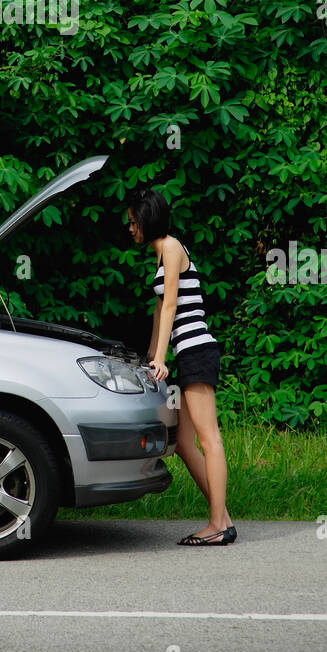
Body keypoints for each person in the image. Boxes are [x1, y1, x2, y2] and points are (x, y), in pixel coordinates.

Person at [126, 187, 236, 545]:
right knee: (185, 444)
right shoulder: (160, 256)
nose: (130, 229)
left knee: (209, 438)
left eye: (132, 222)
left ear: (146, 220)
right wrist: (148, 355)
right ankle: (223, 518)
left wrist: (162, 359)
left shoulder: (172, 247)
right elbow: (160, 311)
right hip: (186, 352)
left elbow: (172, 305)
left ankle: (217, 526)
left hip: (197, 350)